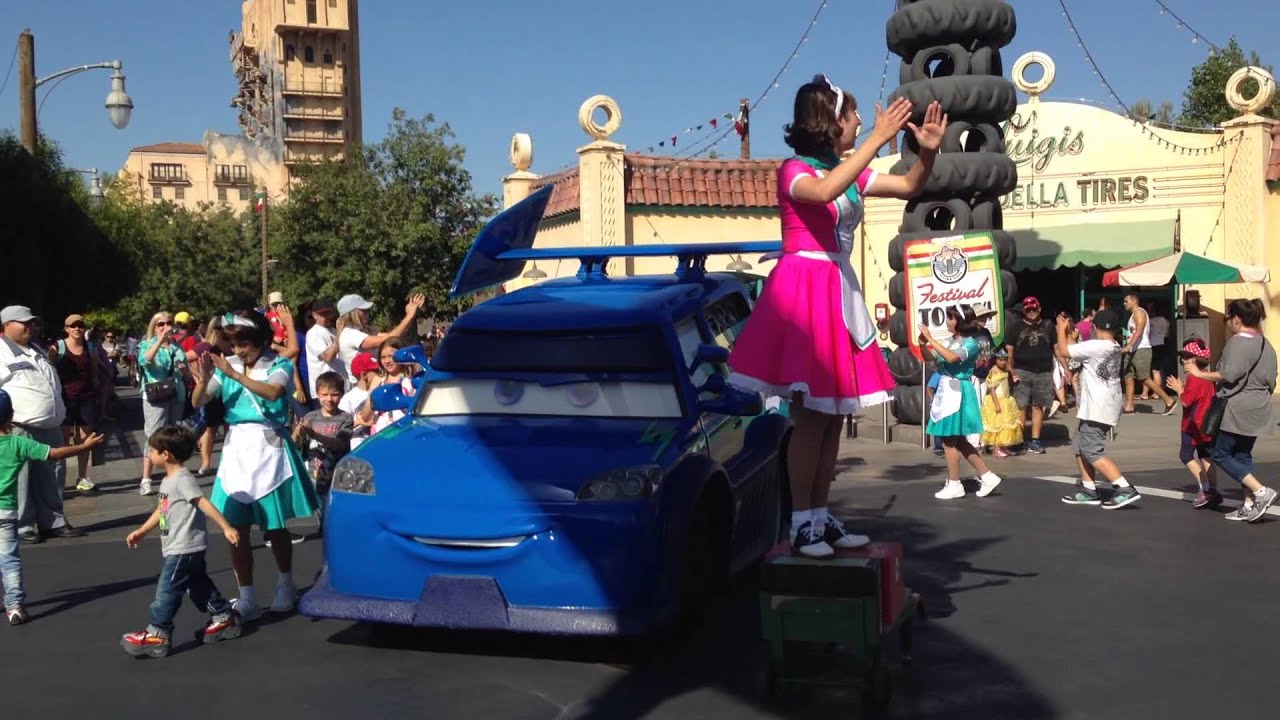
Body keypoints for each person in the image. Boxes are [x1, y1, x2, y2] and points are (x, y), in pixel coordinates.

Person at [725, 74, 947, 557]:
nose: (862, 121)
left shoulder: (847, 171)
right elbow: (823, 192)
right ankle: (801, 523)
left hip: (838, 291)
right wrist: (878, 140)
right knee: (810, 418)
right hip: (804, 292)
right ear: (830, 122)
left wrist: (927, 153)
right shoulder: (794, 170)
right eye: (854, 115)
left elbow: (909, 184)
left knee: (831, 419)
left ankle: (820, 516)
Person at [191, 310, 319, 620]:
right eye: (233, 344)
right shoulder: (228, 366)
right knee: (236, 528)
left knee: (275, 526)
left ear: (260, 340)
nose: (238, 350)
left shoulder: (278, 365)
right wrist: (205, 379)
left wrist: (234, 374)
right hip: (237, 450)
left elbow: (273, 392)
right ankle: (246, 594)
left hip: (268, 448)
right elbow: (198, 401)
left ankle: (285, 583)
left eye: (243, 344)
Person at [120, 426, 241, 657]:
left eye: (152, 451)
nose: (150, 455)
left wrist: (226, 527)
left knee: (167, 590)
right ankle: (223, 616)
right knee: (198, 585)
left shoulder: (183, 479)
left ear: (166, 454)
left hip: (184, 548)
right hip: (181, 547)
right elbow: (162, 510)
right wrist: (143, 530)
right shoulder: (168, 481)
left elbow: (202, 503)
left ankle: (158, 631)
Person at [0, 389, 102, 624]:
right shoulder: (18, 444)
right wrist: (84, 447)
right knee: (9, 559)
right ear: (11, 416)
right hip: (5, 512)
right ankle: (15, 606)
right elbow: (55, 454)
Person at [1183, 298, 1277, 522]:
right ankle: (1249, 504)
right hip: (1259, 406)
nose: (1226, 322)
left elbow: (1228, 373)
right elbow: (1272, 380)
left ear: (1236, 319)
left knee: (1221, 454)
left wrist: (1199, 374)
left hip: (1237, 407)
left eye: (1227, 318)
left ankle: (1261, 491)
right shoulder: (1266, 344)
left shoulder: (1238, 342)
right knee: (1242, 455)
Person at [1, 306, 86, 543]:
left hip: (50, 425)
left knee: (53, 476)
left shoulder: (36, 348)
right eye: (24, 323)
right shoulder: (2, 352)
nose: (30, 327)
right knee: (22, 478)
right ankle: (23, 525)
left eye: (32, 323)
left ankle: (53, 522)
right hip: (20, 425)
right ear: (7, 325)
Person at [1055, 308, 1140, 509]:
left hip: (1097, 407)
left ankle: (1124, 487)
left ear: (1094, 327)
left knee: (1092, 451)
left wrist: (1061, 330)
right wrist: (1070, 335)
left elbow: (1064, 351)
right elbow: (1077, 349)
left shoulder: (1096, 346)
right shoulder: (1113, 346)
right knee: (1079, 446)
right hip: (1100, 405)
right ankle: (1089, 489)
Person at [920, 306, 1003, 500]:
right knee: (958, 440)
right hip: (946, 390)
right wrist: (923, 344)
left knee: (949, 440)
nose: (947, 322)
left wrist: (930, 338)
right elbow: (933, 358)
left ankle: (955, 483)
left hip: (957, 391)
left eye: (950, 318)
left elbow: (953, 358)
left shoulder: (971, 343)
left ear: (960, 321)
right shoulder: (949, 340)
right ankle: (987, 476)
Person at [138, 312, 190, 496]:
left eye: (168, 323)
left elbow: (186, 374)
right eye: (161, 324)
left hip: (176, 393)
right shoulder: (147, 344)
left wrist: (183, 370)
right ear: (154, 327)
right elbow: (145, 361)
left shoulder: (176, 347)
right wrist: (160, 341)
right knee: (154, 435)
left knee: (174, 435)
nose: (166, 326)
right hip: (156, 395)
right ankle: (146, 478)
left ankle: (173, 475)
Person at [293, 371, 353, 531]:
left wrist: (314, 435)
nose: (329, 399)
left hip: (337, 474)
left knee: (334, 511)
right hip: (314, 473)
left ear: (341, 394)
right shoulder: (310, 417)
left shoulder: (345, 418)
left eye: (334, 394)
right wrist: (298, 432)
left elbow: (340, 444)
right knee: (320, 511)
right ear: (318, 394)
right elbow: (296, 444)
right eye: (324, 395)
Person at [1164, 338, 1220, 509]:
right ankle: (1213, 489)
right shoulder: (1208, 376)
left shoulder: (1194, 378)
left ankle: (1206, 489)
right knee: (1206, 456)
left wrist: (1178, 389)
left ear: (1196, 360)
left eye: (1187, 358)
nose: (1184, 361)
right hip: (1207, 423)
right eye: (1183, 358)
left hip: (1192, 424)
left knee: (1186, 455)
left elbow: (1186, 401)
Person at [51, 314, 99, 493]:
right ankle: (60, 479)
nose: (77, 328)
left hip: (86, 397)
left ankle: (83, 476)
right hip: (65, 398)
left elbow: (94, 370)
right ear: (67, 329)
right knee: (63, 438)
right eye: (73, 326)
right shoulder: (57, 347)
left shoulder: (90, 346)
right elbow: (49, 369)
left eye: (80, 325)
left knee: (84, 438)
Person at [335, 293, 425, 385]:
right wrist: (410, 315)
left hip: (372, 382)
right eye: (364, 311)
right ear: (354, 314)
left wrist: (411, 315)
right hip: (365, 385)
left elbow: (394, 336)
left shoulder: (359, 331)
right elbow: (392, 337)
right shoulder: (351, 334)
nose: (367, 313)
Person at [1006, 297, 1055, 454]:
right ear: (1024, 311)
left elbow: (1055, 347)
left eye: (1034, 309)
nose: (1031, 312)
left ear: (1039, 309)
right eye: (1028, 310)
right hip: (1021, 370)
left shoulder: (1048, 325)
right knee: (1020, 405)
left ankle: (1035, 440)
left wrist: (1065, 368)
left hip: (1044, 370)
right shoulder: (1015, 326)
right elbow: (1009, 351)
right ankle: (1019, 439)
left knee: (1038, 405)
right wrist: (1011, 370)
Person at [1121, 293, 1176, 415]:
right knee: (1128, 377)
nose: (1124, 304)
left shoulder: (1139, 312)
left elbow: (1139, 331)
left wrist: (1128, 346)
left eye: (1126, 301)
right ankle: (1129, 407)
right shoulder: (1132, 315)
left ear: (1134, 301)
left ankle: (1168, 400)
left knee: (1144, 377)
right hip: (1132, 350)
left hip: (1141, 349)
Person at [980, 348, 1022, 458]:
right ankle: (997, 448)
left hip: (1006, 400)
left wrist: (1013, 373)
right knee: (998, 425)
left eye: (1005, 360)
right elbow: (992, 390)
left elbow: (1009, 368)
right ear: (995, 360)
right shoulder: (994, 371)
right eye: (1000, 360)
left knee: (1006, 424)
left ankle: (1003, 446)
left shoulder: (1004, 369)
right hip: (998, 400)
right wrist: (997, 404)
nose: (1003, 362)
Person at [305, 300, 346, 405]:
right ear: (315, 315)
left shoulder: (333, 331)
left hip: (338, 388)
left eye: (329, 313)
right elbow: (328, 357)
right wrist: (340, 332)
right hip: (324, 391)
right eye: (323, 314)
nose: (327, 316)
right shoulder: (313, 334)